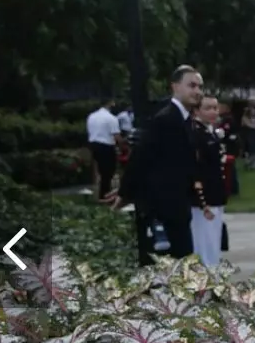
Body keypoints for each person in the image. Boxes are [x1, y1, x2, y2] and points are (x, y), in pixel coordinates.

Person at [107, 65, 204, 265]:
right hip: (162, 210)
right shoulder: (166, 118)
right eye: (192, 85)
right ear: (175, 87)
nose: (197, 91)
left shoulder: (184, 119)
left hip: (176, 206)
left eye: (200, 87)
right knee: (166, 270)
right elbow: (141, 156)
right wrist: (126, 193)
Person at [189, 95, 229, 267]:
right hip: (205, 198)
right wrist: (202, 200)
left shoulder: (209, 131)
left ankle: (213, 273)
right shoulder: (196, 134)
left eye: (215, 108)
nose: (214, 112)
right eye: (208, 108)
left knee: (213, 241)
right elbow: (196, 169)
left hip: (216, 194)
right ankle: (207, 278)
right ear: (197, 111)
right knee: (205, 243)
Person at [86, 98, 125, 200]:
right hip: (105, 146)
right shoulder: (111, 118)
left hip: (93, 144)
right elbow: (116, 135)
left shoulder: (91, 116)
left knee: (99, 171)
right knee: (108, 172)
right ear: (110, 104)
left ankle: (100, 192)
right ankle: (104, 195)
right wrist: (123, 145)